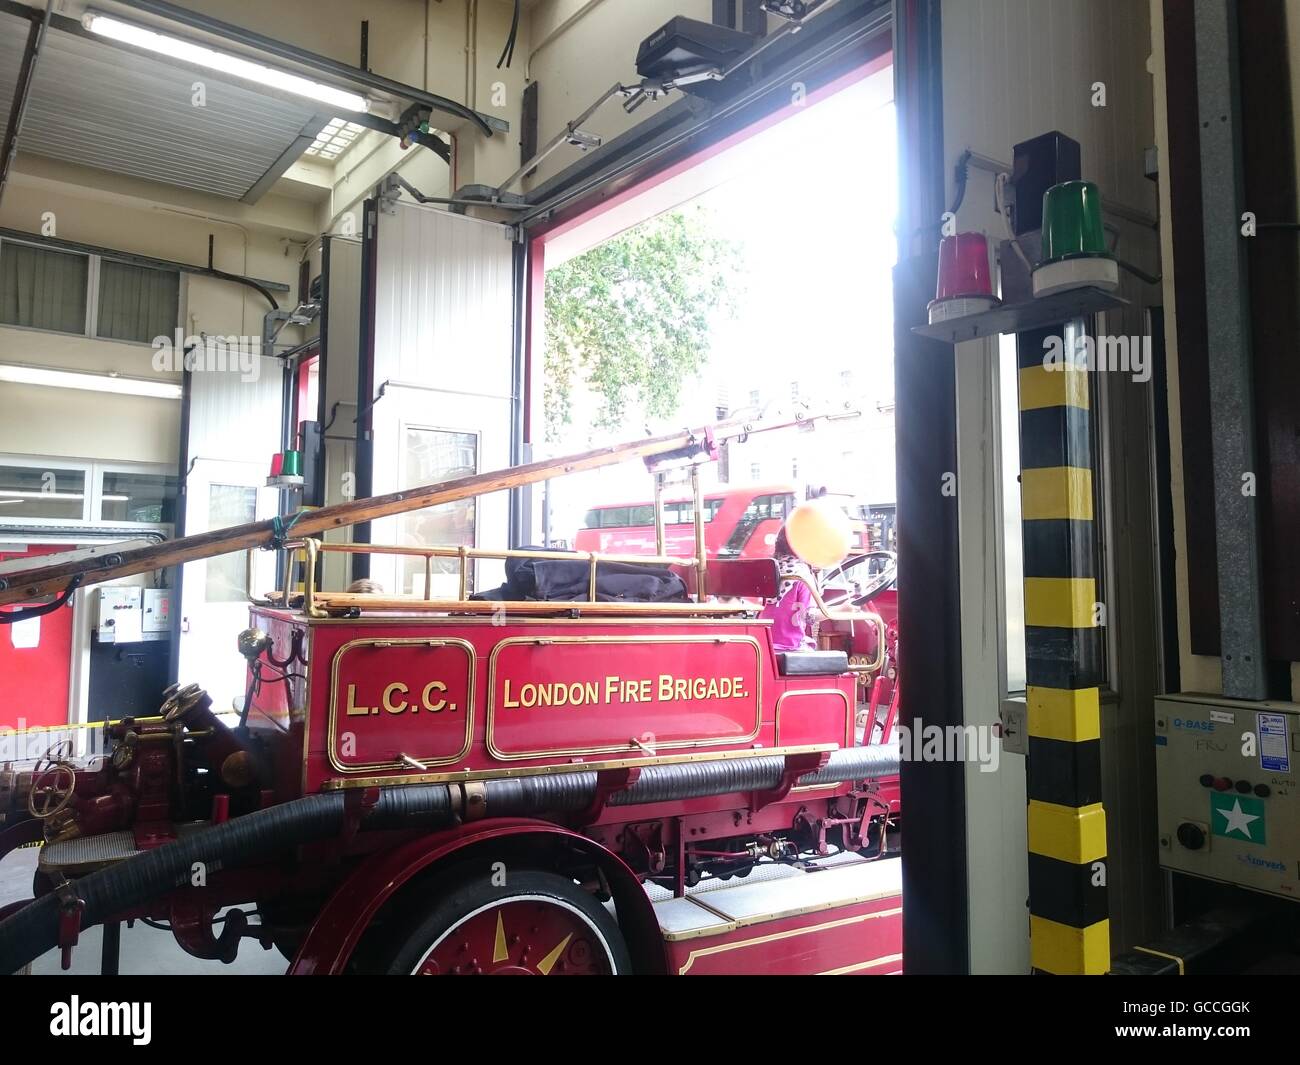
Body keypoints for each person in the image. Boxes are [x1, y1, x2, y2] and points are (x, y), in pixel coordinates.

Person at [759, 526, 823, 651]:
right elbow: (808, 617)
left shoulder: (772, 568)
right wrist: (842, 609)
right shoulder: (801, 575)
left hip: (764, 641)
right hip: (790, 645)